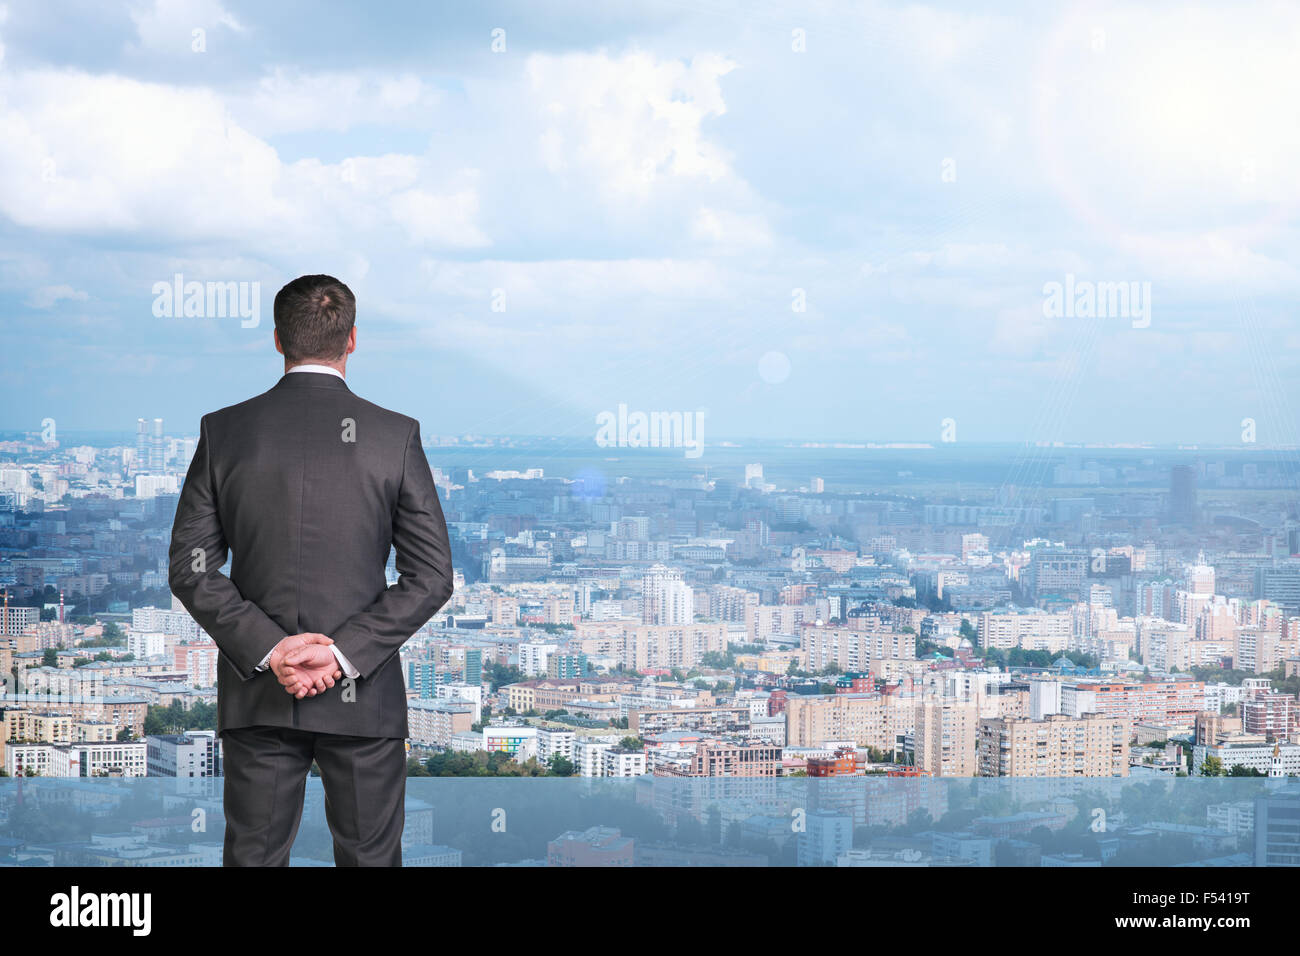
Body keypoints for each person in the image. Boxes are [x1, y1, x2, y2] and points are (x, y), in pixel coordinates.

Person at [168, 274, 453, 866]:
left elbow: (192, 568)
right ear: (352, 340)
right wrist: (342, 654)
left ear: (277, 340)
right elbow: (431, 576)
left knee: (253, 857)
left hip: (260, 694)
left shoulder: (224, 432)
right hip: (363, 694)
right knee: (370, 858)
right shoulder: (393, 436)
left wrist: (273, 650)